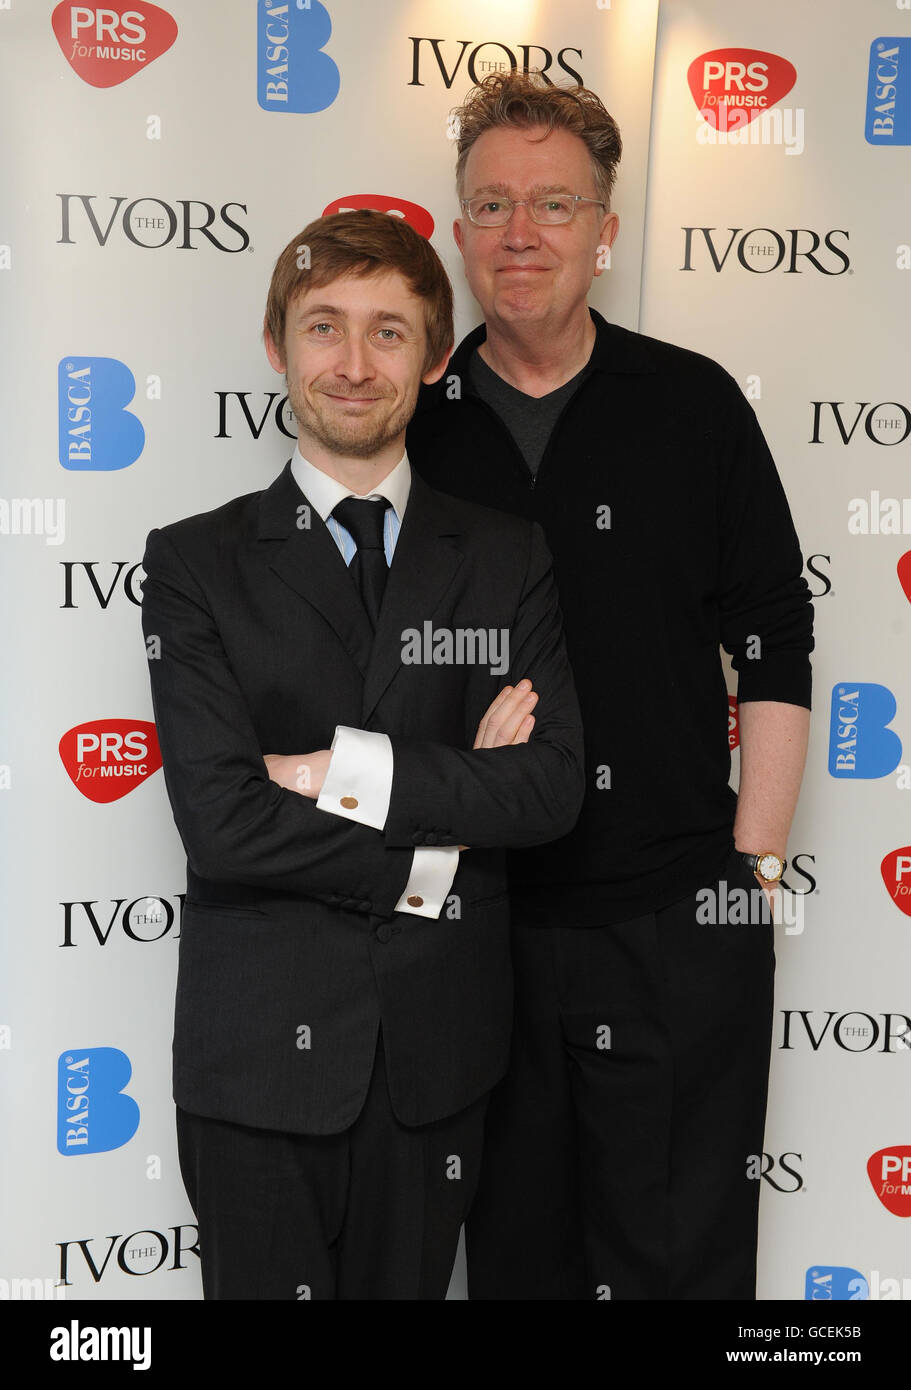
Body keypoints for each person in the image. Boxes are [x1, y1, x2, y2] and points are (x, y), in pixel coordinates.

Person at [406, 70, 815, 1300]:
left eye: (552, 204)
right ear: (459, 228)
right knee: (518, 1260)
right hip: (478, 918)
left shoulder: (688, 403)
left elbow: (773, 633)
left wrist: (750, 859)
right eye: (489, 205)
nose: (519, 233)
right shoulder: (412, 423)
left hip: (677, 914)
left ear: (605, 229)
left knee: (682, 1263)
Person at [140, 208, 584, 1300]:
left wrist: (327, 769)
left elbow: (546, 787)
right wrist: (440, 853)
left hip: (435, 1062)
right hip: (254, 1069)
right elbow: (224, 821)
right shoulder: (195, 563)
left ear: (435, 359)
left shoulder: (502, 555)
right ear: (276, 345)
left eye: (388, 332)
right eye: (322, 326)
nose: (351, 362)